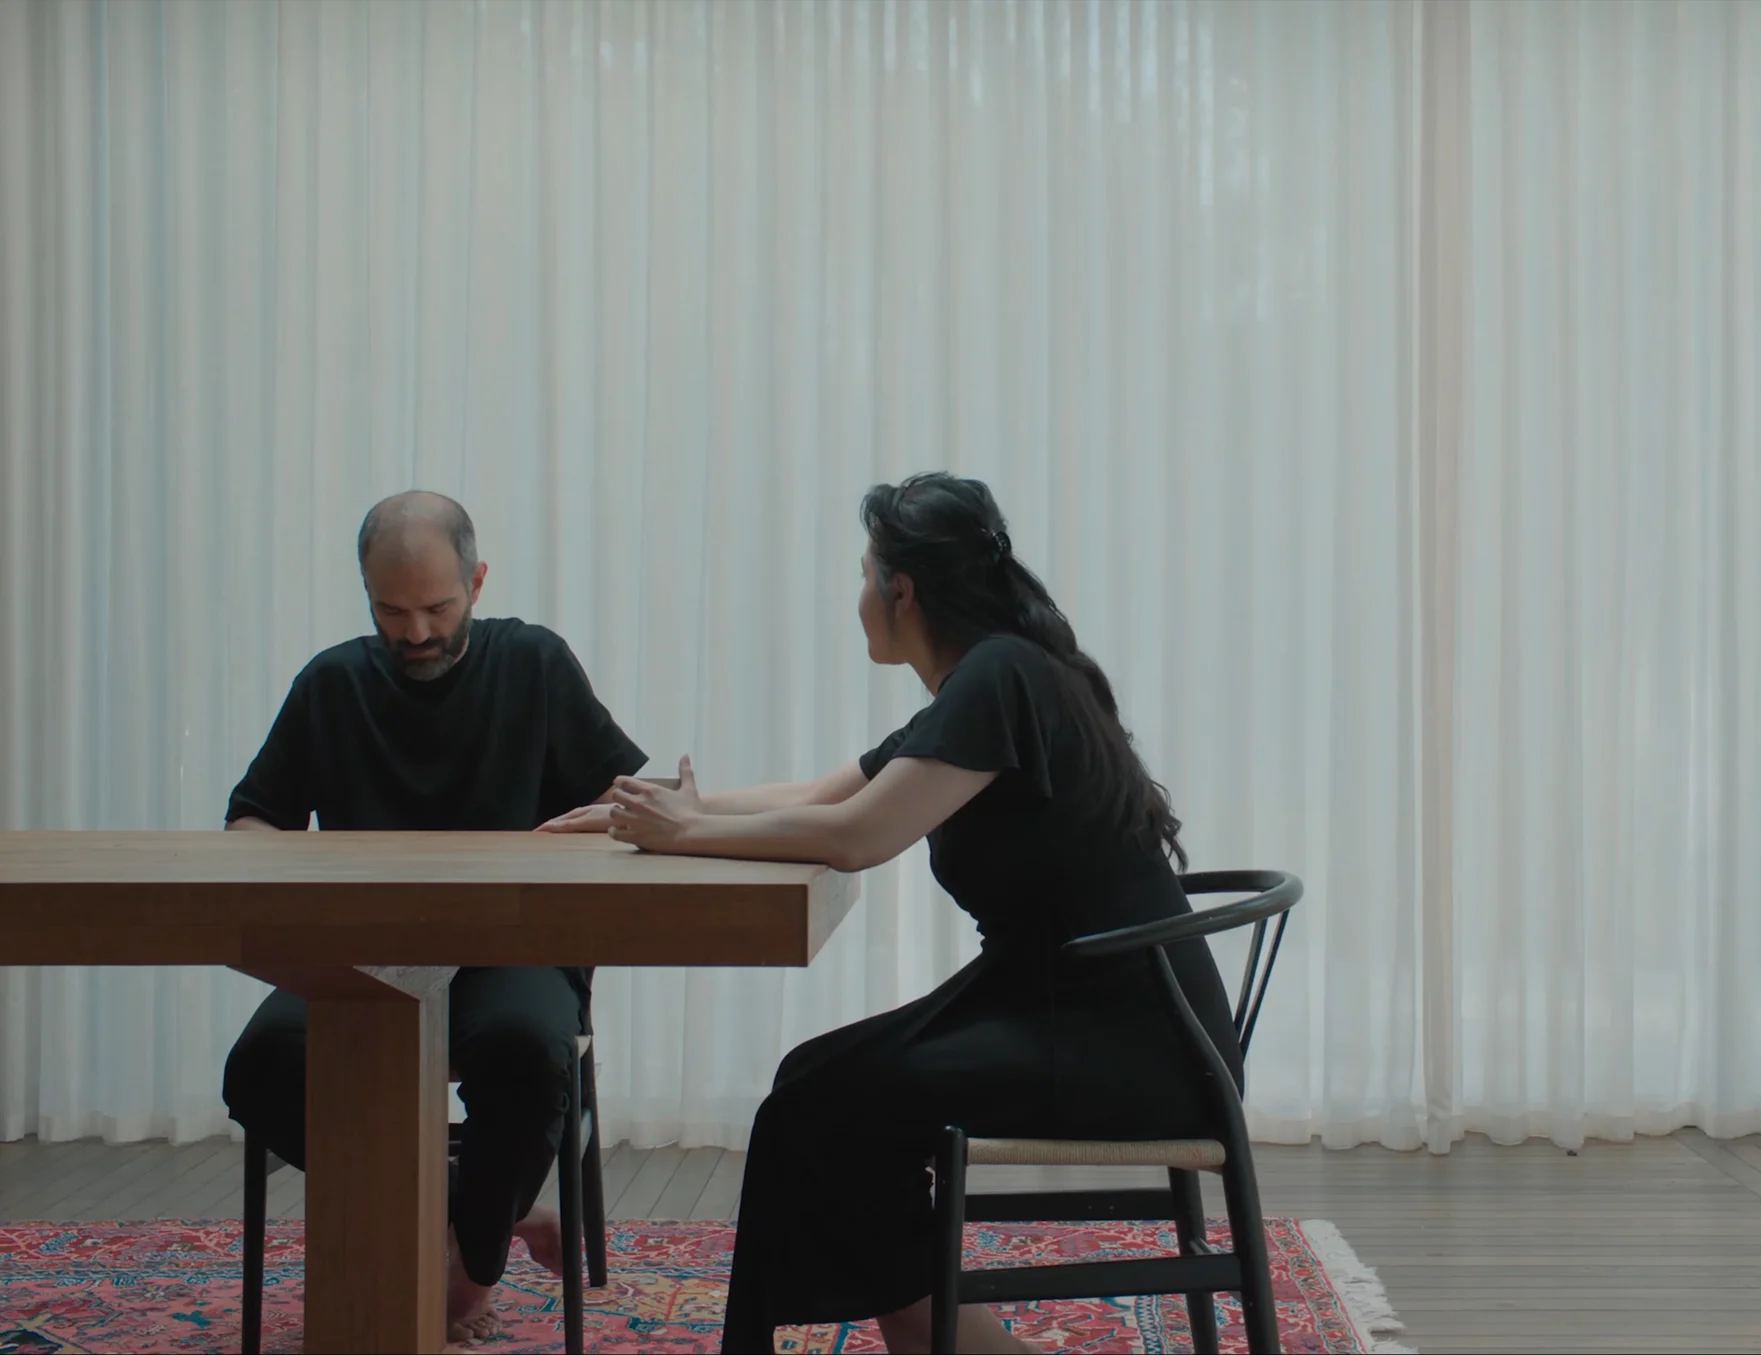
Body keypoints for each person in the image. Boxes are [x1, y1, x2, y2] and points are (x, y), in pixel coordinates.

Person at [539, 472, 1244, 1355]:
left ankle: (933, 1335)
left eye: (865, 572)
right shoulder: (995, 672)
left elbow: (858, 834)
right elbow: (825, 793)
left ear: (899, 587)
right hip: (1072, 1005)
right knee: (813, 1085)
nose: (860, 594)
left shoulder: (998, 677)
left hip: (1129, 1038)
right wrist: (655, 809)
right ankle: (938, 1333)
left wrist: (681, 836)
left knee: (822, 1104)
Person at [221, 490, 647, 1343]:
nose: (414, 631)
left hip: (514, 952)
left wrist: (594, 820)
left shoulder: (533, 664)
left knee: (527, 1056)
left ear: (477, 581)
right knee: (263, 1065)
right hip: (364, 962)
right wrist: (290, 880)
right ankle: (491, 1217)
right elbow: (251, 818)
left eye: (437, 608)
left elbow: (627, 794)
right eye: (391, 609)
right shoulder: (333, 681)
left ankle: (467, 1261)